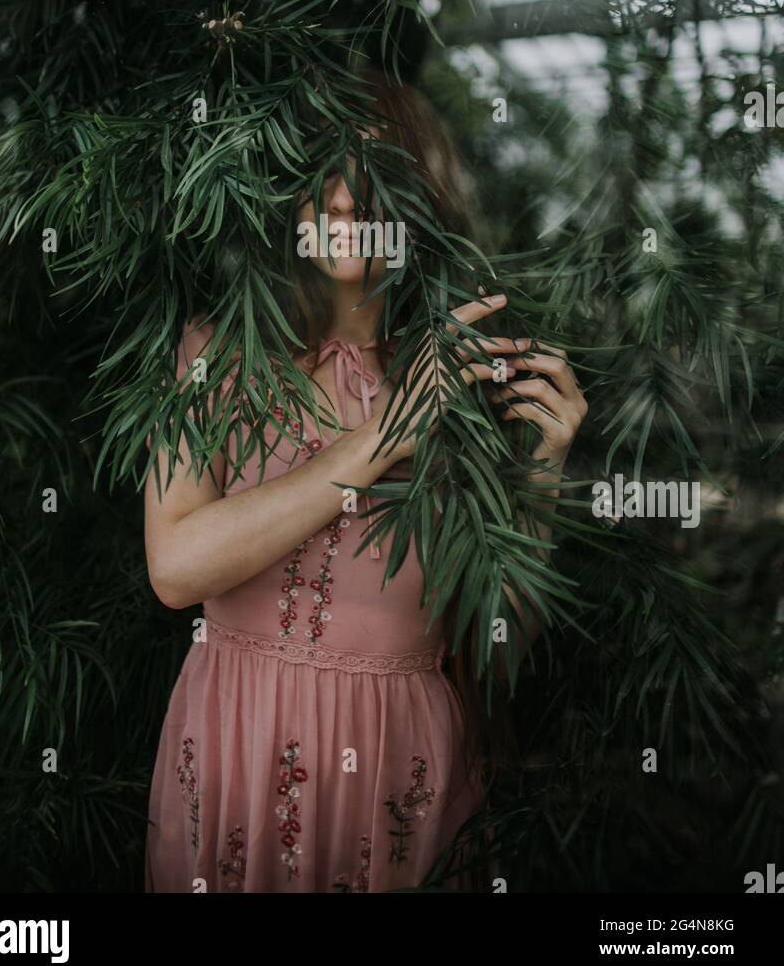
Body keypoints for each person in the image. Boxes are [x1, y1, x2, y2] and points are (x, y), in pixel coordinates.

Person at [143, 68, 587, 893]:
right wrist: (383, 434)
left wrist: (542, 471)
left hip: (397, 760)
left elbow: (494, 649)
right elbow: (174, 568)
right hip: (237, 735)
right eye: (324, 172)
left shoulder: (472, 388)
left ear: (421, 203)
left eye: (377, 174)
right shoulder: (216, 354)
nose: (346, 201)